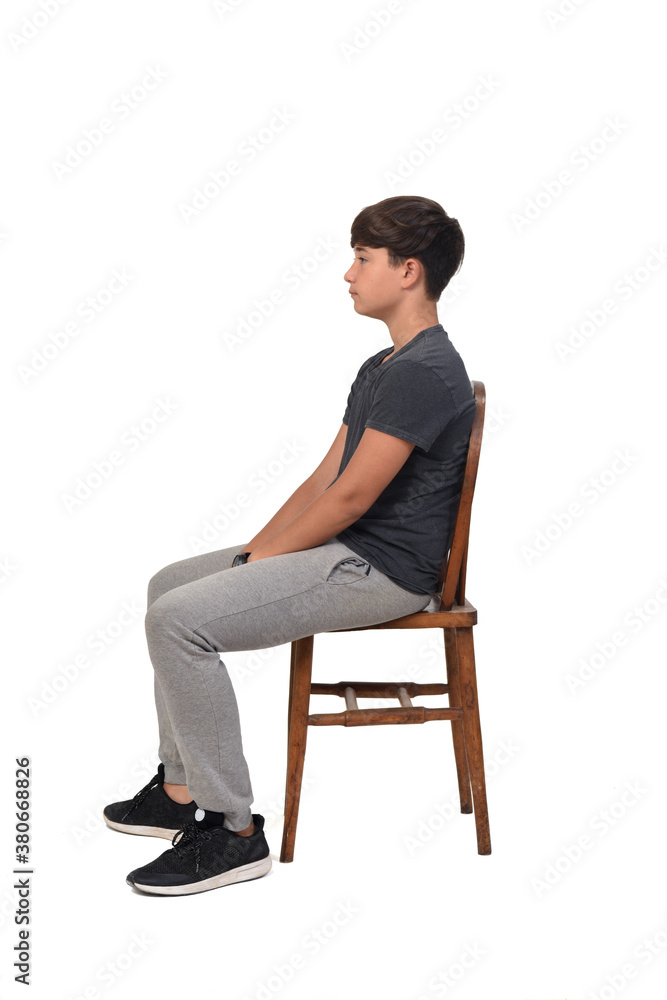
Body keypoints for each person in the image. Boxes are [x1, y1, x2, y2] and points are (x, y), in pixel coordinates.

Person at [103, 194, 476, 896]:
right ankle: (177, 790)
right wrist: (260, 553)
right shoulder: (383, 367)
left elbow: (351, 500)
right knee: (167, 585)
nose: (347, 274)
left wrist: (271, 559)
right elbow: (324, 478)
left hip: (384, 570)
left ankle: (231, 830)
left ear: (407, 272)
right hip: (348, 548)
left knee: (178, 621)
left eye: (362, 259)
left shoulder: (425, 371)